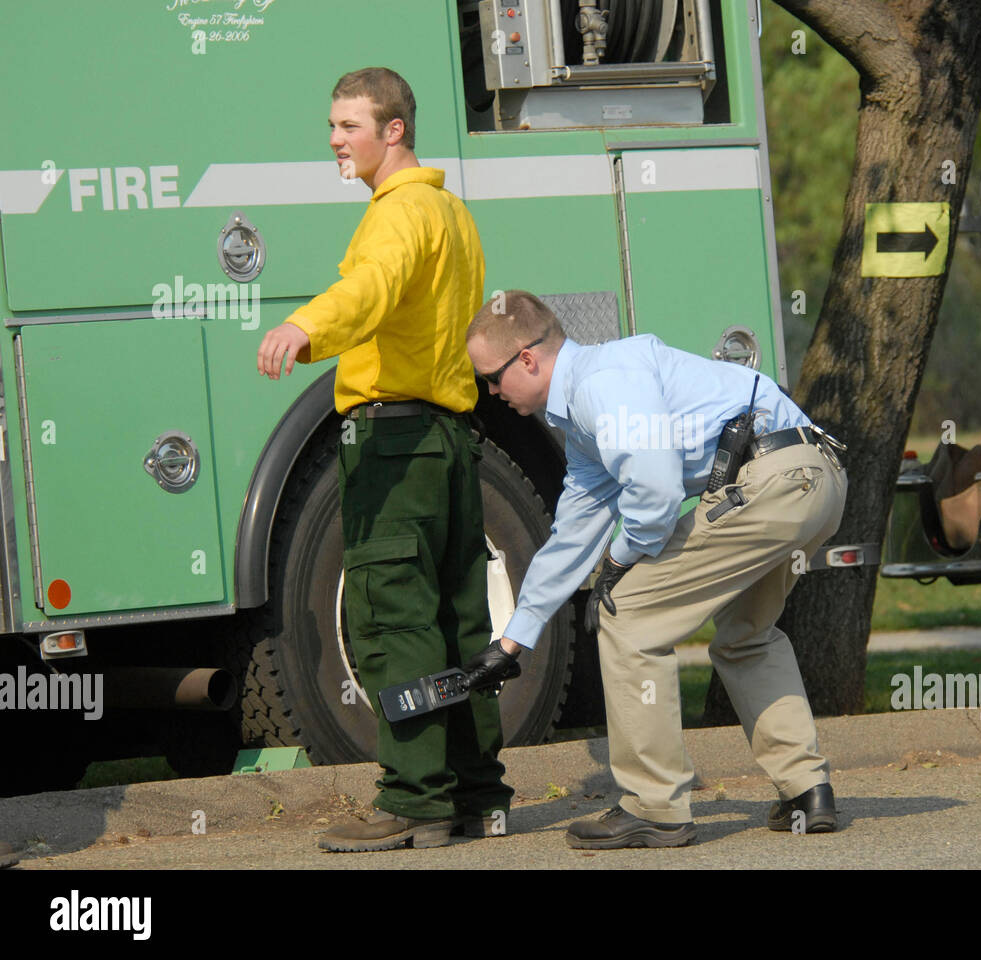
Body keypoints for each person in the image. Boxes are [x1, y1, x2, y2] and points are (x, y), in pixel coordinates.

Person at [461, 291, 847, 848]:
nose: (492, 394)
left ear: (526, 358)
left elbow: (657, 493)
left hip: (773, 483)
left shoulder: (601, 384)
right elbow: (571, 537)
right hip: (811, 479)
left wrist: (618, 562)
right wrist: (512, 642)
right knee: (745, 637)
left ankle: (655, 805)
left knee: (629, 613)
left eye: (492, 378)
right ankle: (808, 792)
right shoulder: (584, 417)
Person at [255, 67, 512, 852]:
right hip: (448, 441)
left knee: (392, 620)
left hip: (395, 445)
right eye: (333, 125)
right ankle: (476, 794)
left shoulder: (398, 215)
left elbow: (373, 287)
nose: (335, 140)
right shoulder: (451, 213)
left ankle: (415, 802)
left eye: (348, 126)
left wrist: (307, 327)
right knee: (457, 619)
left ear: (393, 129)